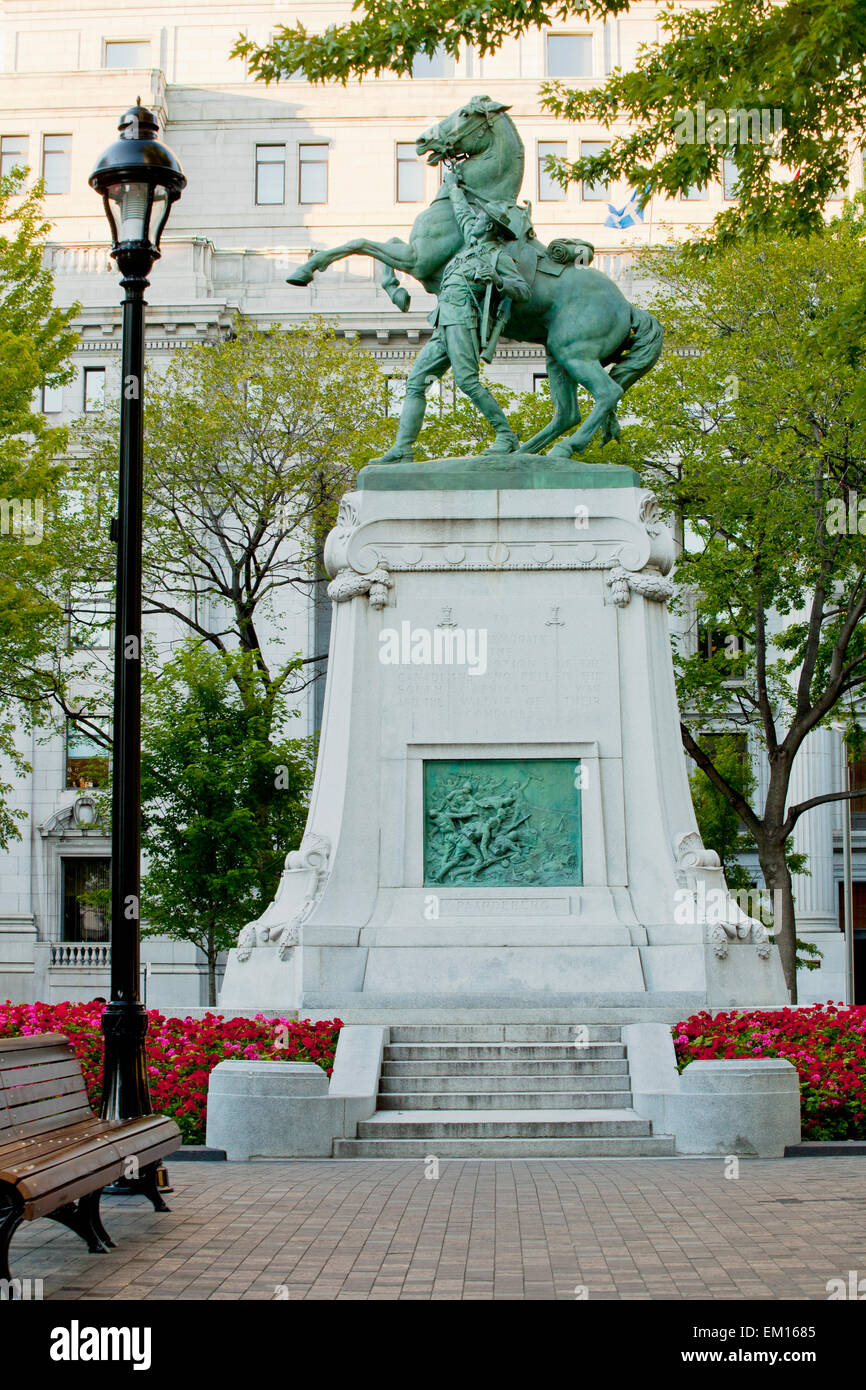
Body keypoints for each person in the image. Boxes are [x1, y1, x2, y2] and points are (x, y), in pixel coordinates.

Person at [372, 168, 531, 464]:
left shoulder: (498, 257)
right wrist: (452, 185)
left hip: (463, 321)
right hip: (443, 322)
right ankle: (403, 448)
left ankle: (506, 435)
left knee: (468, 382)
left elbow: (522, 290)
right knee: (416, 382)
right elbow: (460, 211)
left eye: (482, 217)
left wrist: (496, 280)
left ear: (492, 227)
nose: (477, 218)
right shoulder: (472, 240)